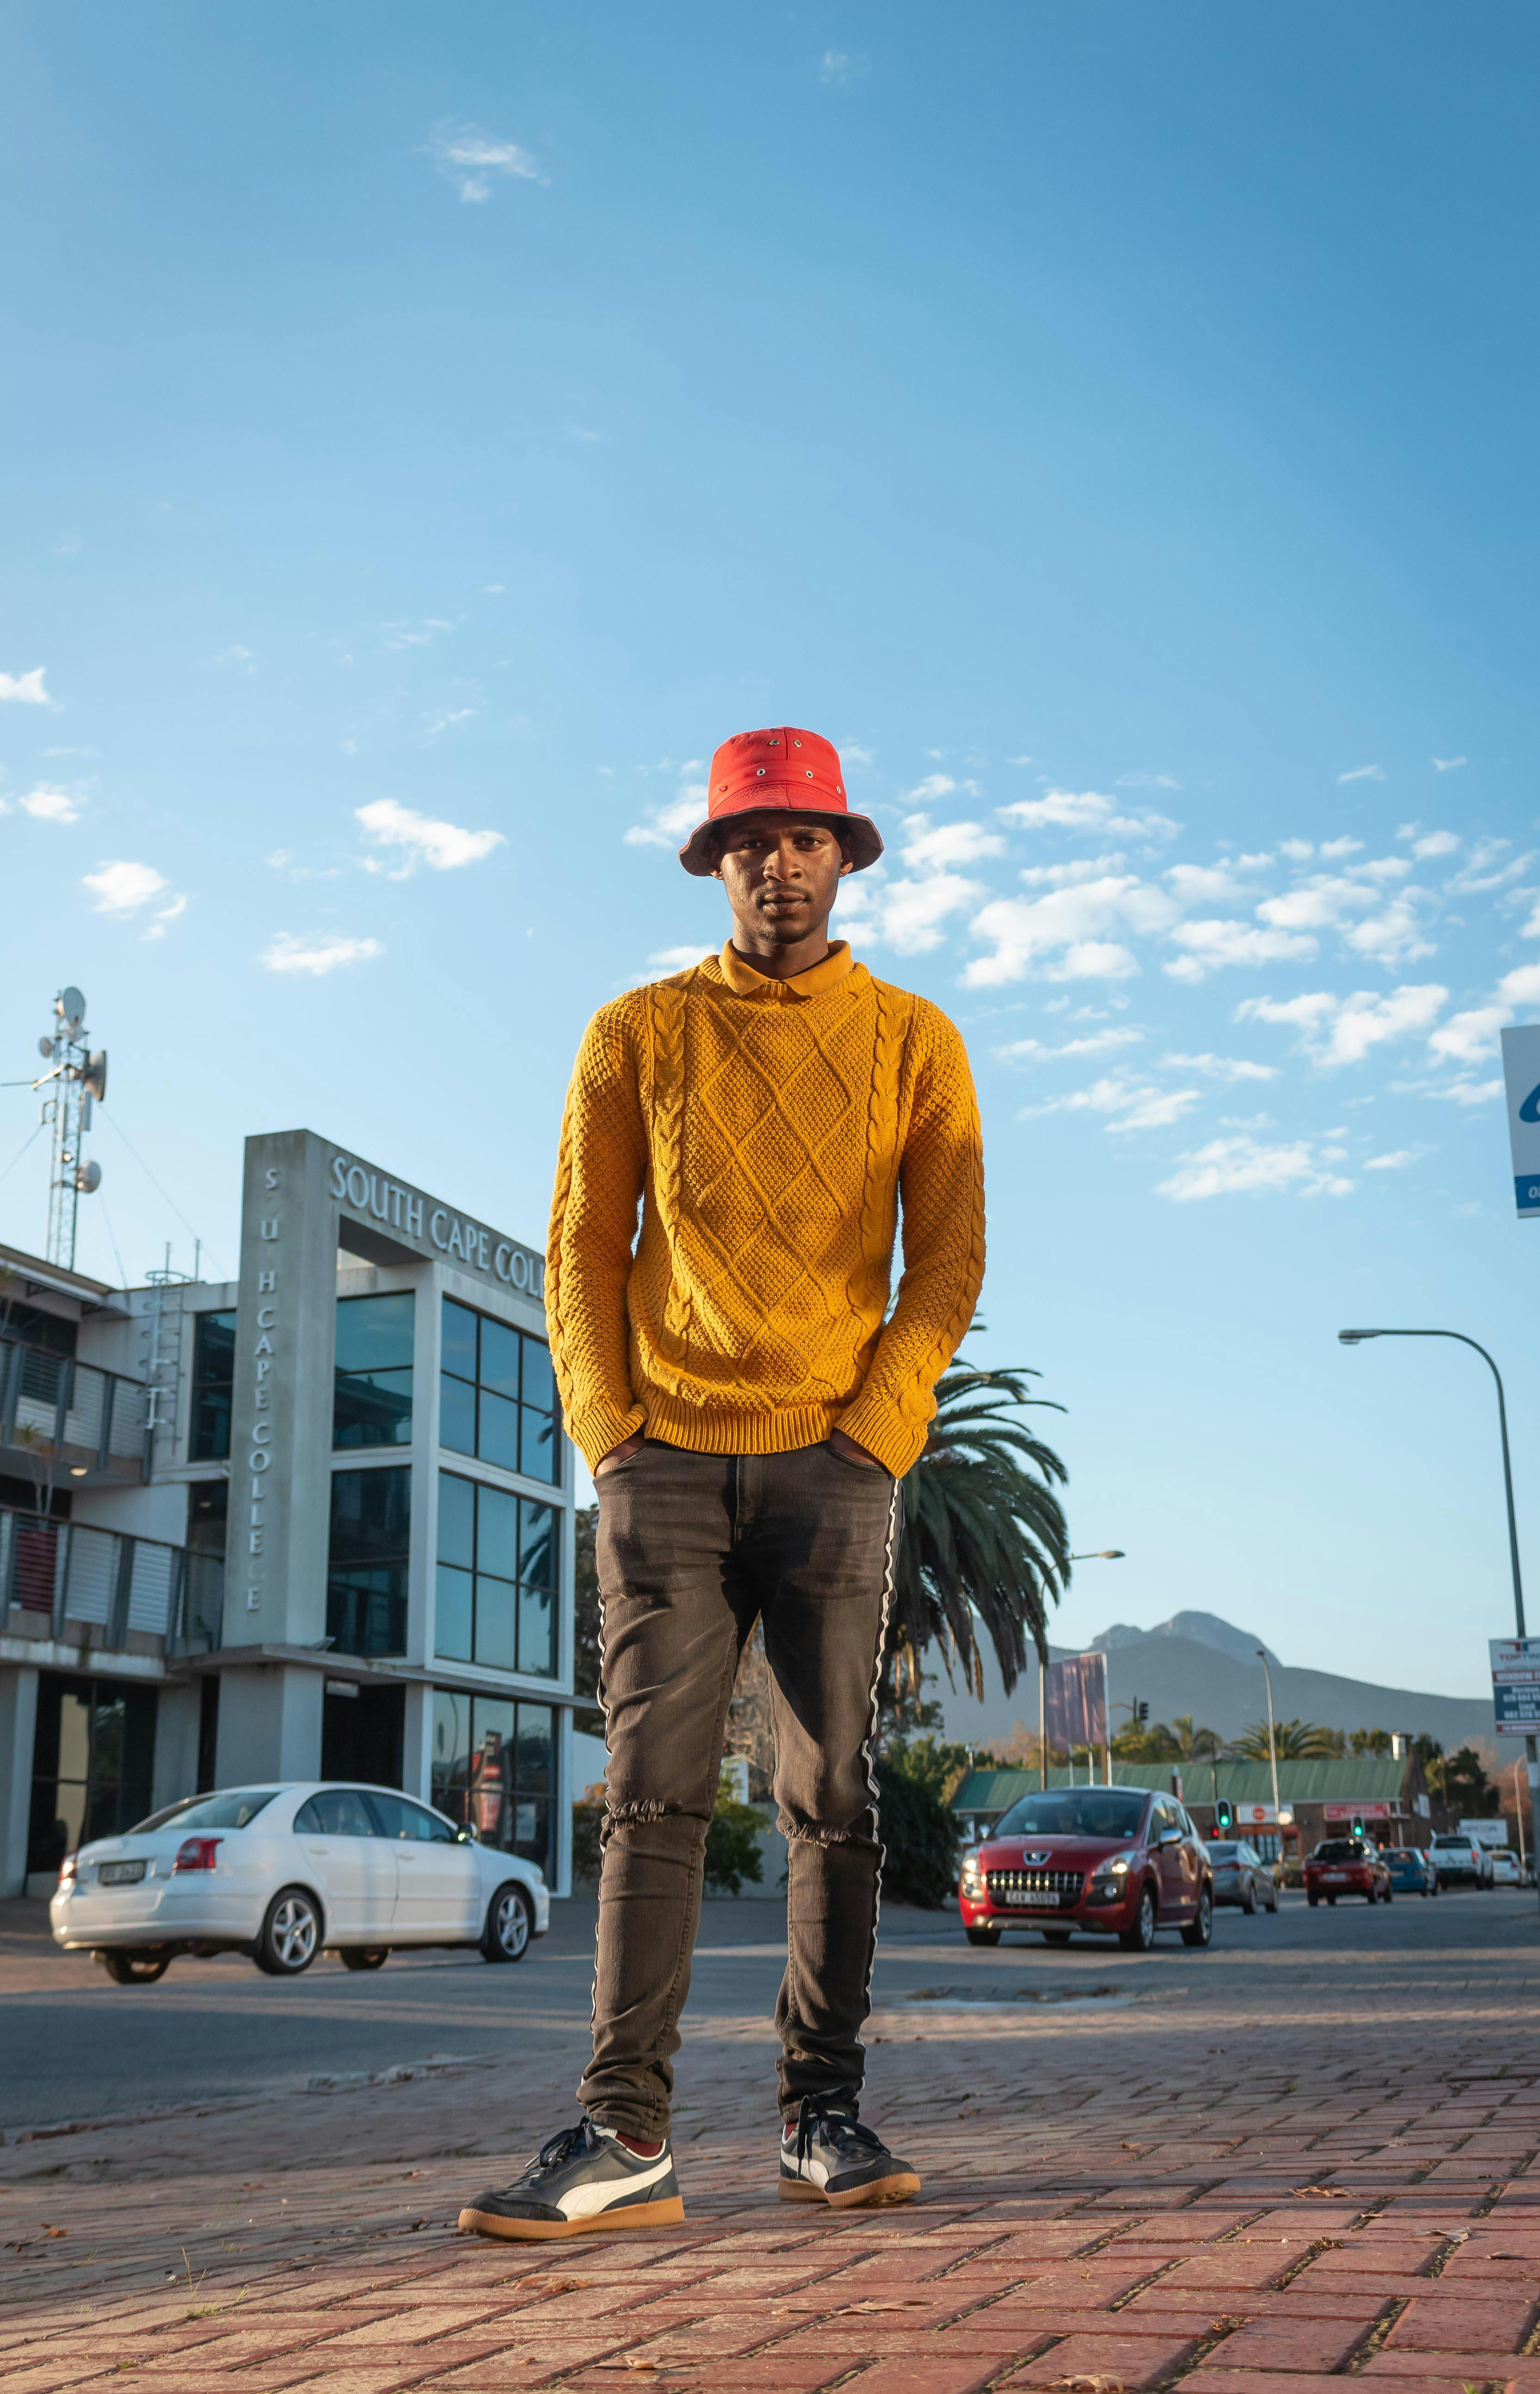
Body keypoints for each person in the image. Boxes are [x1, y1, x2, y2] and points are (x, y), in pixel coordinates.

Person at [459, 725, 985, 2242]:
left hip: (835, 1463)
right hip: (670, 1466)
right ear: (715, 864)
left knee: (832, 1795)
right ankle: (626, 2137)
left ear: (844, 855)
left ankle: (823, 2119)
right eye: (748, 842)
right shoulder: (633, 1032)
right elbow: (582, 1245)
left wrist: (877, 1430)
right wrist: (607, 1435)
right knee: (651, 1799)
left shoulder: (915, 1042)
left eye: (804, 837)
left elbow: (944, 1258)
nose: (778, 866)